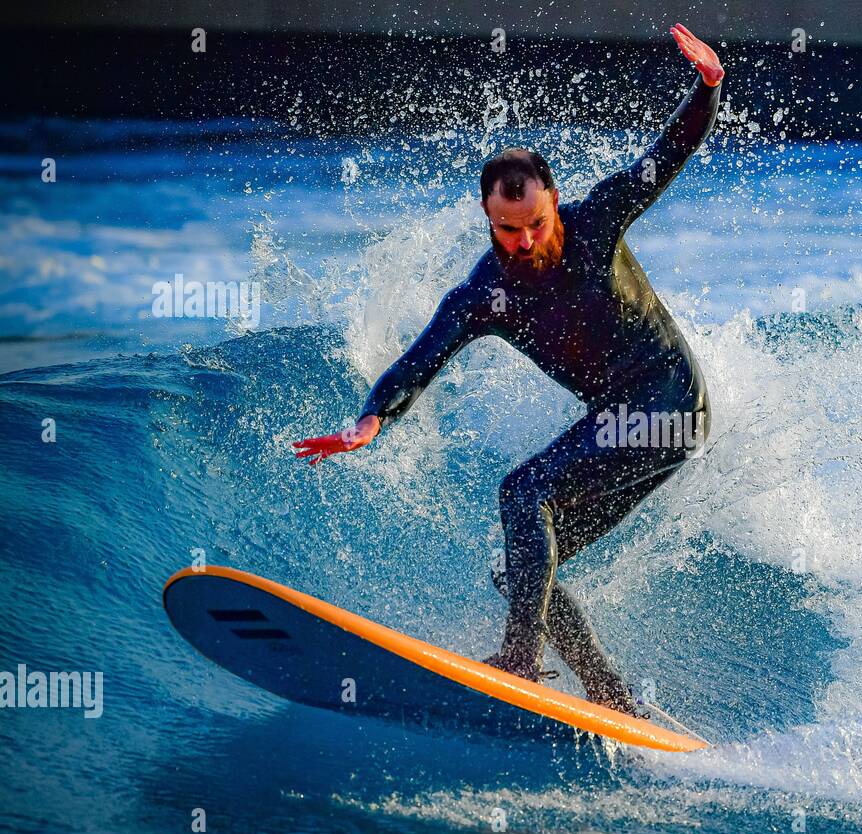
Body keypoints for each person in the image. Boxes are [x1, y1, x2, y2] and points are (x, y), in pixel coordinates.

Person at [293, 23, 724, 716]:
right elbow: (418, 360)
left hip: (672, 404)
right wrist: (372, 418)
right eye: (506, 229)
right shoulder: (484, 295)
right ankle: (609, 693)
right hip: (626, 423)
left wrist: (708, 84)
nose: (524, 242)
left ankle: (520, 661)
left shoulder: (597, 222)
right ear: (489, 221)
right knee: (523, 562)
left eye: (534, 224)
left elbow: (667, 153)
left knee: (524, 494)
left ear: (554, 204)